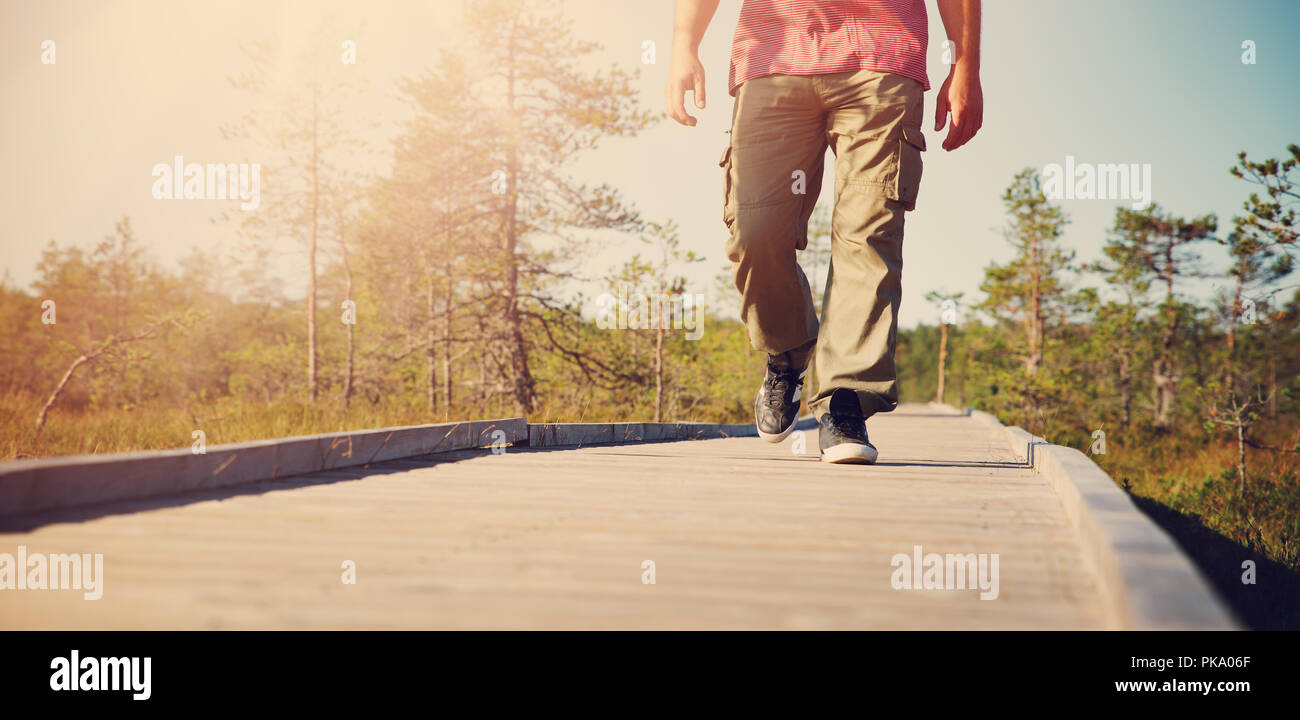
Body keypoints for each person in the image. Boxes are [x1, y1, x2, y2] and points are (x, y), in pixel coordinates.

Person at [665, 0, 983, 463]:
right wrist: (682, 45)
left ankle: (845, 399)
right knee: (755, 231)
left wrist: (965, 64)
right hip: (771, 60)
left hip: (884, 60)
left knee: (868, 236)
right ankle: (787, 348)